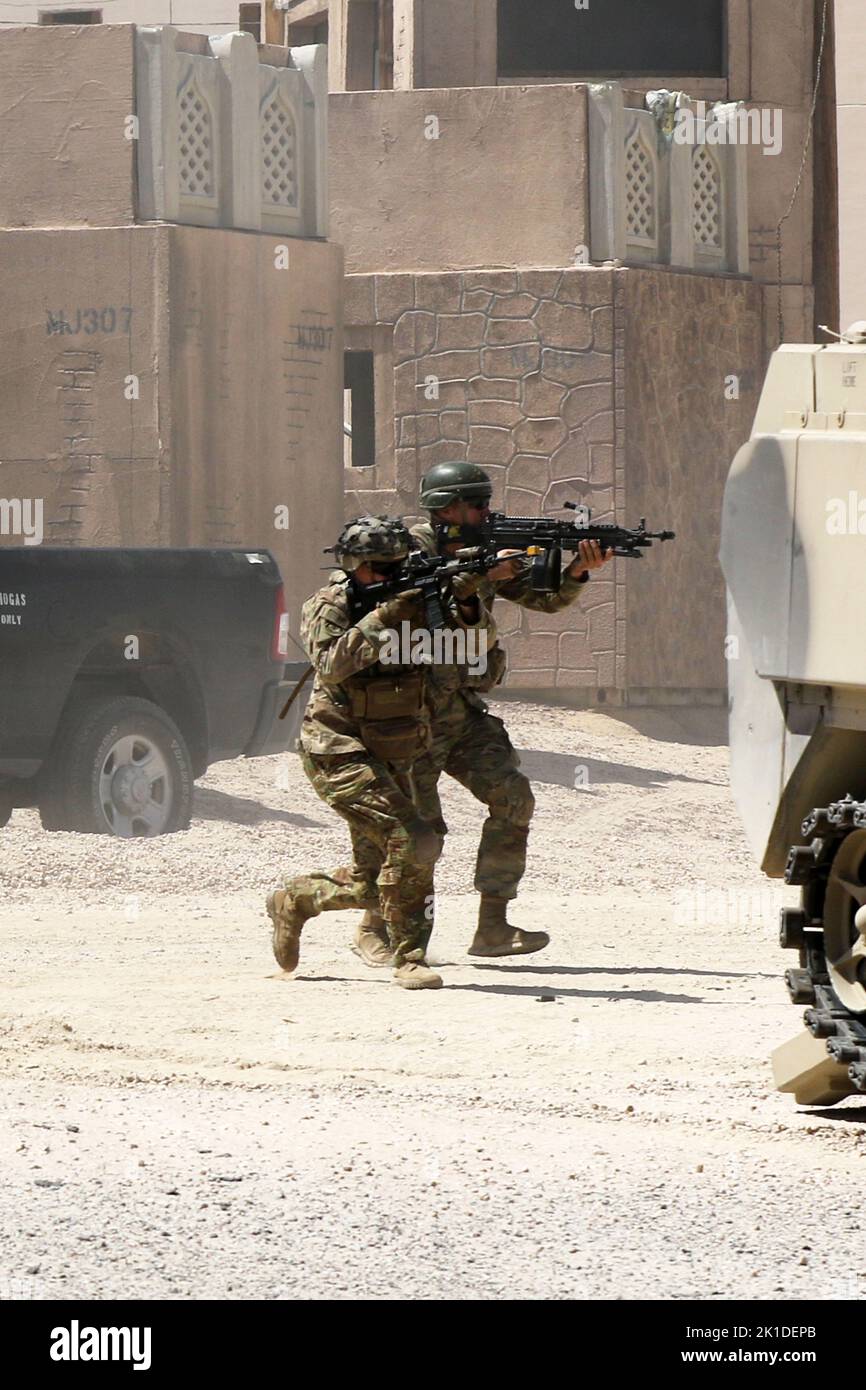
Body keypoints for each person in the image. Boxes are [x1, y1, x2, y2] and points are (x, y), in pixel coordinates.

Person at [352, 463, 613, 968]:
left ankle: (493, 924)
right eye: (478, 504)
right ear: (447, 508)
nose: (486, 512)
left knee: (513, 799)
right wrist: (475, 578)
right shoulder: (407, 550)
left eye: (487, 503)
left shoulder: (486, 546)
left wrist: (577, 571)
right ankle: (373, 924)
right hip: (407, 714)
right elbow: (398, 607)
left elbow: (546, 600)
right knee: (418, 831)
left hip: (460, 710)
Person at [266, 515, 489, 991]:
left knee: (378, 878)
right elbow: (330, 662)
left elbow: (477, 661)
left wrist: (467, 603)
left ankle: (297, 900)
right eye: (377, 570)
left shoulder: (422, 605)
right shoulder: (331, 604)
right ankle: (409, 958)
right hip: (338, 749)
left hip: (400, 749)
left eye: (396, 568)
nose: (388, 578)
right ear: (352, 568)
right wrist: (386, 616)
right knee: (416, 841)